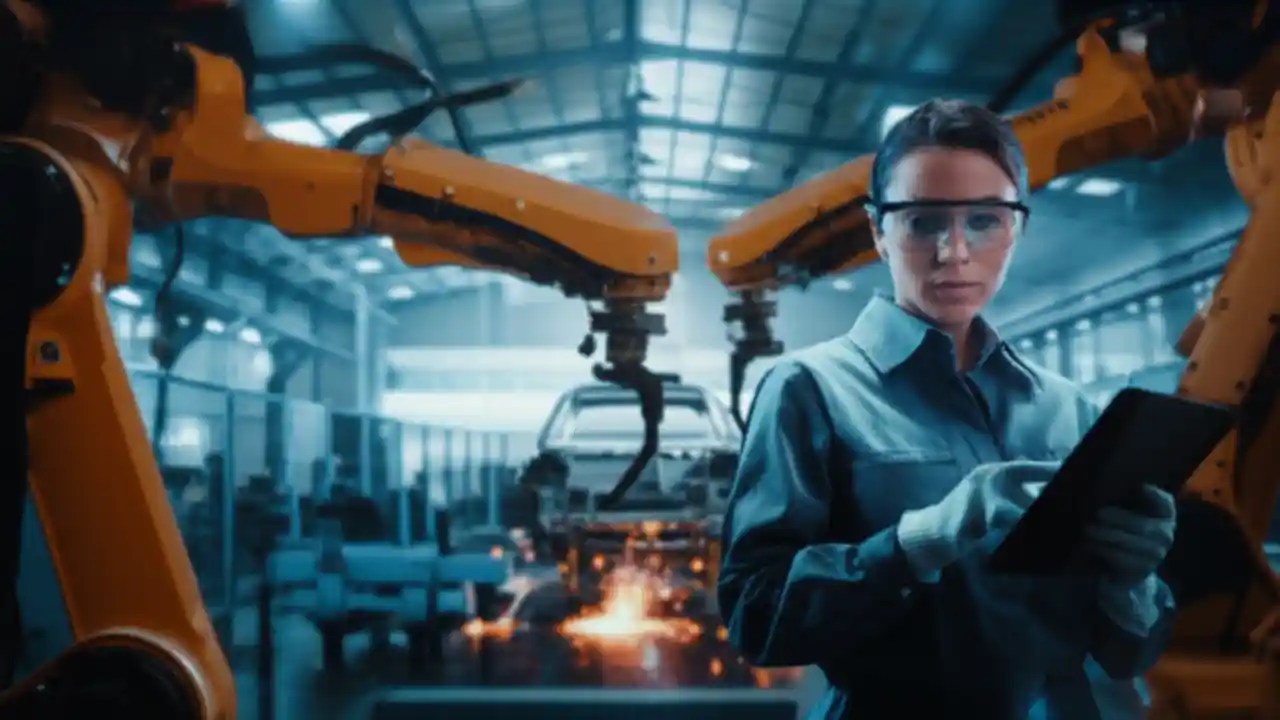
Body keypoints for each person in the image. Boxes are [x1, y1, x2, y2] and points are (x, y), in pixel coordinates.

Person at [717, 99, 1178, 719]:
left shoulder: (1066, 408)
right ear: (878, 230)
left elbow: (1127, 656)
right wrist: (920, 541)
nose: (954, 252)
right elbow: (756, 617)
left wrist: (1132, 582)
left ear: (1019, 227)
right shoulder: (810, 390)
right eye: (924, 222)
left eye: (985, 221)